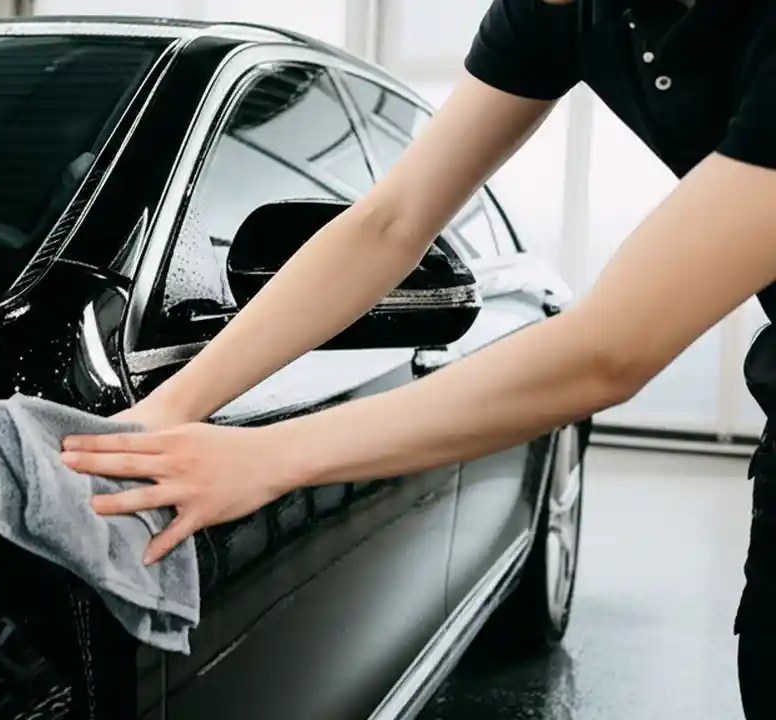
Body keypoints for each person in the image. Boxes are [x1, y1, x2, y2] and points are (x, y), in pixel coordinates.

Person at [58, 0, 776, 715]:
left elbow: (612, 349)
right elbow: (390, 221)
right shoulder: (561, 9)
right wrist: (163, 412)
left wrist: (268, 457)